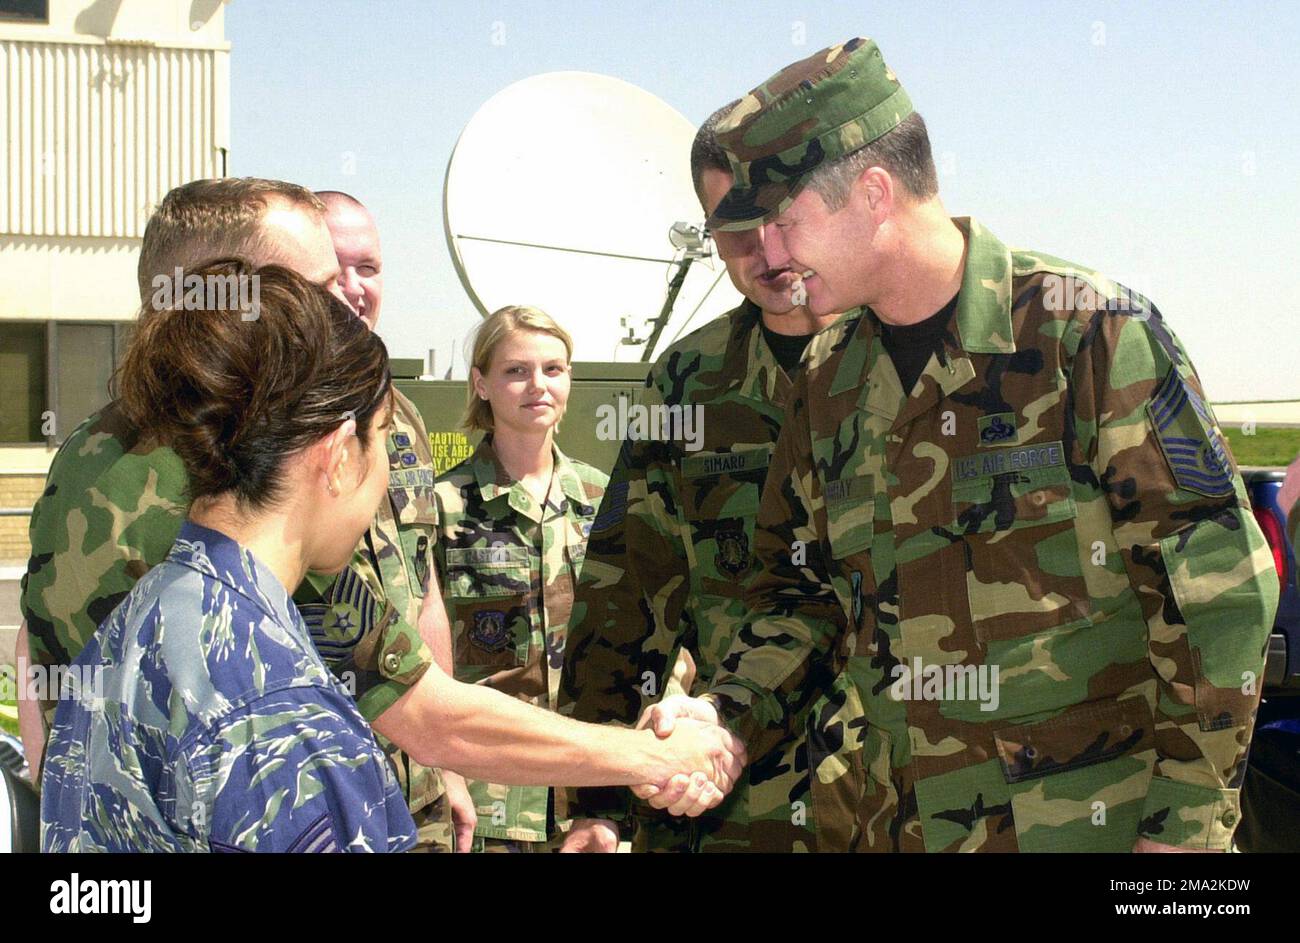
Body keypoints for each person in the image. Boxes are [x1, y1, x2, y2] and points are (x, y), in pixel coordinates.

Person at [645, 36, 1280, 852]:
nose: (767, 257)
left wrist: (1186, 831)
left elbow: (1215, 597)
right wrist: (723, 713)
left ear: (872, 192)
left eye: (782, 222)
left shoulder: (1087, 334)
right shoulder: (829, 377)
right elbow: (796, 599)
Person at [19, 177, 738, 837]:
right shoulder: (210, 477)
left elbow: (414, 636)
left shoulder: (224, 473)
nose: (341, 304)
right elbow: (421, 708)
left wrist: (446, 767)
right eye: (315, 285)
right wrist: (647, 755)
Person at [559, 109, 865, 853]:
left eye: (774, 216)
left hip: (908, 796)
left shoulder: (903, 358)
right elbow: (624, 591)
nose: (763, 250)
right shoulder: (689, 383)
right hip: (733, 801)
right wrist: (598, 801)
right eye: (732, 228)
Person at [41, 261, 418, 852]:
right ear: (342, 456)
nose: (387, 471)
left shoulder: (146, 614)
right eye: (384, 436)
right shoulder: (277, 709)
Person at [311, 188, 468, 852]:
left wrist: (451, 762)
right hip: (315, 790)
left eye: (368, 268)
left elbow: (424, 591)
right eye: (333, 269)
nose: (353, 287)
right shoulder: (255, 418)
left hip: (415, 785)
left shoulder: (400, 417)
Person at [434, 305, 608, 852]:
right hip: (485, 808)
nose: (538, 385)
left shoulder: (606, 500)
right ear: (482, 384)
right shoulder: (441, 509)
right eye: (516, 371)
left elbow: (636, 643)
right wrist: (446, 776)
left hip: (590, 796)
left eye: (553, 369)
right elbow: (418, 657)